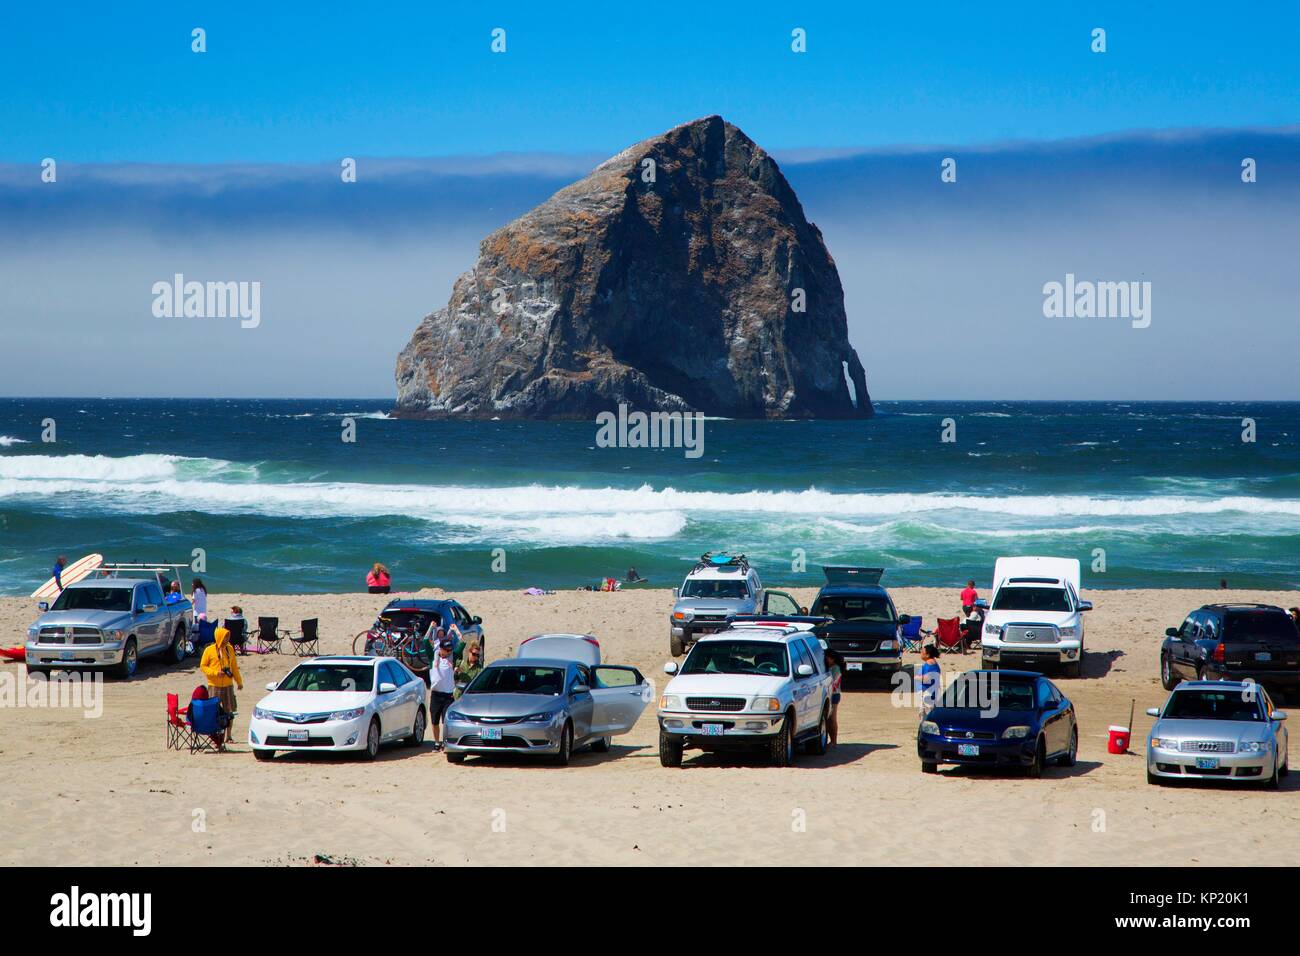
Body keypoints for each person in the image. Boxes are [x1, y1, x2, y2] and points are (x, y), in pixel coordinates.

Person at [199, 626, 243, 742]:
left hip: (228, 685)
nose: (227, 638)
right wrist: (214, 673)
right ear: (219, 637)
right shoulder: (209, 650)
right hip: (214, 685)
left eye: (228, 636)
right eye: (225, 636)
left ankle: (228, 735)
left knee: (229, 711)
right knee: (214, 711)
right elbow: (203, 666)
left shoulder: (230, 649)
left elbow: (234, 667)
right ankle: (215, 736)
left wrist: (239, 681)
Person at [427, 639, 456, 751]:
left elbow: (462, 644)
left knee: (446, 721)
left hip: (448, 696)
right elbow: (425, 641)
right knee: (434, 721)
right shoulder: (433, 658)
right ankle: (437, 742)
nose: (449, 652)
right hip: (436, 695)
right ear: (441, 648)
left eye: (450, 650)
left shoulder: (451, 658)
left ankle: (445, 742)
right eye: (447, 649)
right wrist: (431, 627)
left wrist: (455, 630)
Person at [824, 650, 843, 747]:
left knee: (832, 719)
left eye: (827, 658)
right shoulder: (827, 668)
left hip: (834, 694)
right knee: (827, 719)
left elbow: (834, 683)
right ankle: (830, 740)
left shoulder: (836, 669)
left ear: (832, 659)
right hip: (829, 694)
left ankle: (834, 741)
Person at [918, 644, 941, 714]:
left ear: (927, 655)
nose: (921, 653)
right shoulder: (932, 663)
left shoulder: (930, 665)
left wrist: (917, 678)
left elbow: (928, 679)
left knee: (928, 717)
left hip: (929, 694)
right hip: (929, 693)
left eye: (922, 651)